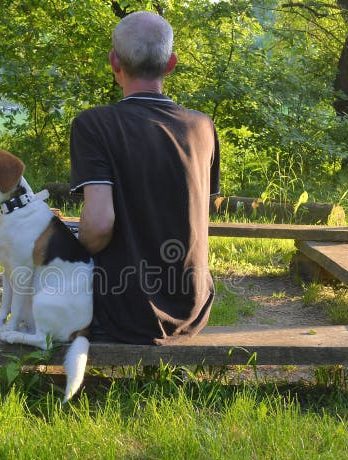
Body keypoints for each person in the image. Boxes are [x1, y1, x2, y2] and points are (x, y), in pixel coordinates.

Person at [69, 10, 220, 345]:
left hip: (122, 312)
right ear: (171, 64)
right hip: (192, 309)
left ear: (114, 62)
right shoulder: (202, 126)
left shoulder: (93, 125)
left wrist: (67, 248)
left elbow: (99, 226)